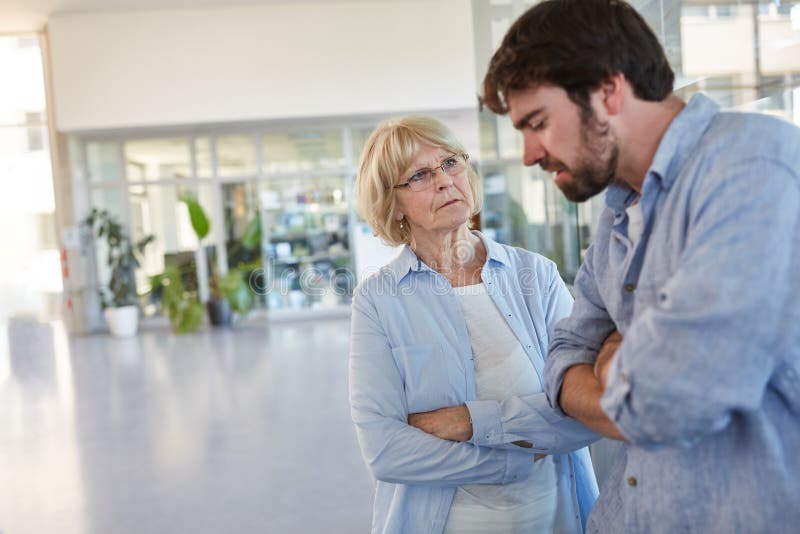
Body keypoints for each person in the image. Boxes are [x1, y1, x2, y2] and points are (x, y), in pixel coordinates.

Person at [481, 0, 800, 532]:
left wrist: (609, 367)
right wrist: (621, 367)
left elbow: (666, 404)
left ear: (608, 90)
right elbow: (561, 358)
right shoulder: (617, 210)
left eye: (537, 123)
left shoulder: (752, 169)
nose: (529, 155)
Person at [348, 115, 599, 534]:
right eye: (420, 175)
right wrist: (511, 459)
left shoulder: (535, 274)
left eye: (451, 162)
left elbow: (588, 411)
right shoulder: (379, 300)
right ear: (392, 204)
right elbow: (385, 450)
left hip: (556, 517)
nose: (445, 181)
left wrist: (468, 421)